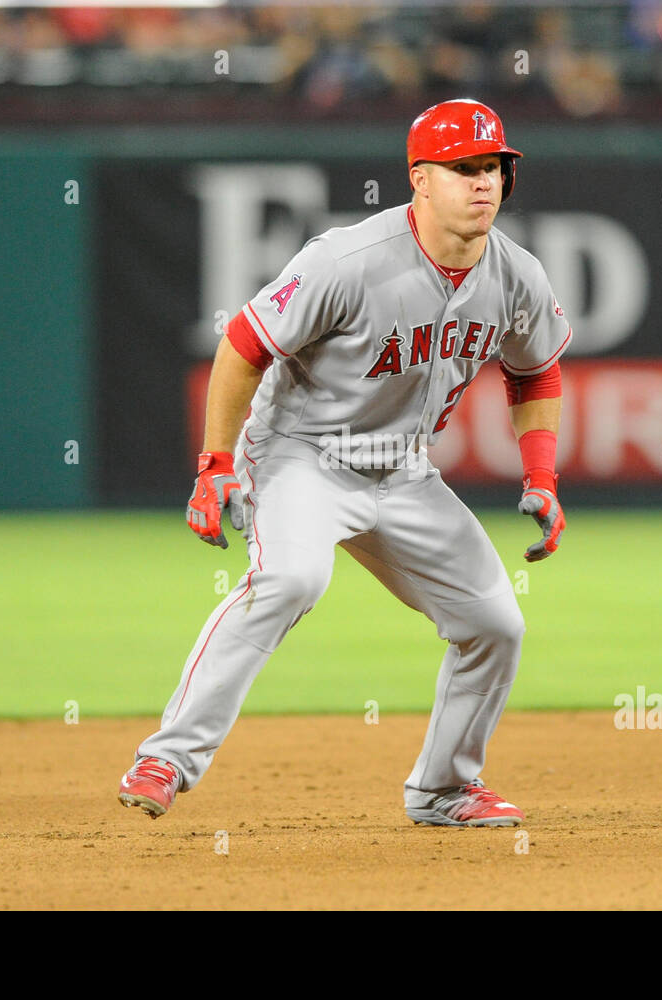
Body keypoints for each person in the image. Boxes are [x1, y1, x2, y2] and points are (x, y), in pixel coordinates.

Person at [119, 98, 571, 827]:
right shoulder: (348, 260)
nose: (484, 182)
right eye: (463, 169)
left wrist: (541, 476)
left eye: (493, 167)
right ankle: (167, 758)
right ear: (421, 180)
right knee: (292, 577)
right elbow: (244, 344)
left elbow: (536, 370)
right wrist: (216, 464)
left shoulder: (515, 275)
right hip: (304, 456)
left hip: (404, 471)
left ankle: (443, 790)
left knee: (495, 623)